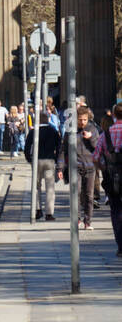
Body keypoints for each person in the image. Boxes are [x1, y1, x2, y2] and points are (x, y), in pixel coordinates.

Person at [65, 106, 98, 230]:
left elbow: (98, 148)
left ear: (88, 119)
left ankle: (88, 221)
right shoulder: (71, 130)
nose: (82, 122)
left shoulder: (93, 129)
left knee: (89, 196)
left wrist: (91, 138)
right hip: (76, 166)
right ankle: (77, 219)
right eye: (80, 120)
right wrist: (59, 168)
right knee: (76, 193)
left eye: (84, 120)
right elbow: (64, 149)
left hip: (90, 167)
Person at [96, 102, 122, 257]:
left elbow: (95, 157)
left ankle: (120, 245)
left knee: (116, 211)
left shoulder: (106, 134)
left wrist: (104, 169)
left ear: (113, 116)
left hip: (113, 178)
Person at [26, 111, 62, 221]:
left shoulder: (33, 131)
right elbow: (59, 146)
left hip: (36, 161)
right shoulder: (53, 131)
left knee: (36, 187)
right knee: (50, 187)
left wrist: (29, 159)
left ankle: (37, 210)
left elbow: (27, 147)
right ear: (47, 120)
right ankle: (49, 213)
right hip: (49, 161)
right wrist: (56, 160)